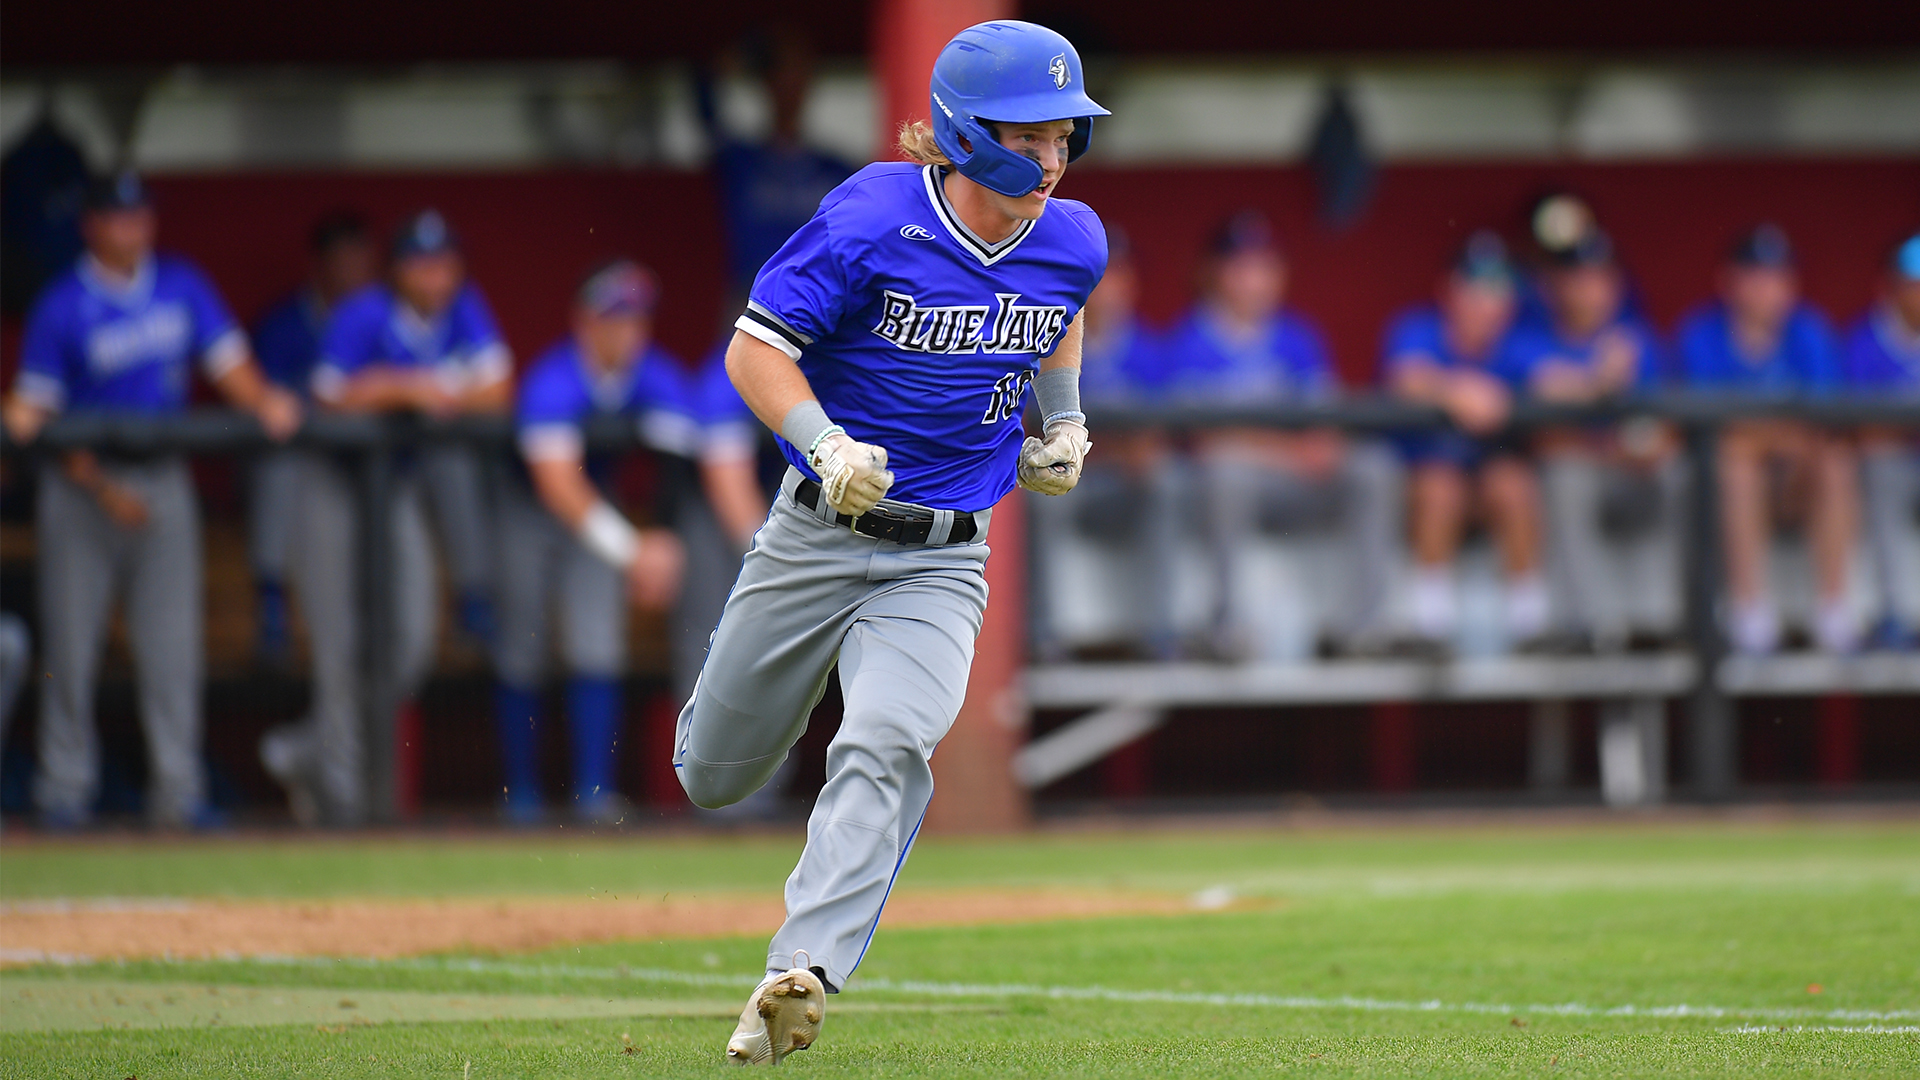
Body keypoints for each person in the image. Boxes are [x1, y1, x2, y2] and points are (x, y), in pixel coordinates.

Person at [675, 21, 1109, 1064]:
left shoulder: (1074, 237)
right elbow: (754, 350)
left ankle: (801, 969)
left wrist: (1062, 420)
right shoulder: (873, 212)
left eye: (1064, 136)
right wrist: (824, 443)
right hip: (818, 533)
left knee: (886, 740)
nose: (1052, 159)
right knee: (712, 775)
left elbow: (1057, 312)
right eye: (1030, 138)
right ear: (964, 135)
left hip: (943, 558)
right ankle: (754, 733)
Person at [2, 170, 301, 829]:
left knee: (172, 651)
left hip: (164, 475)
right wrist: (104, 488)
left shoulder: (181, 284)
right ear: (92, 226)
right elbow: (39, 415)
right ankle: (64, 791)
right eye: (118, 218)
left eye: (140, 216)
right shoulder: (62, 303)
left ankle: (177, 792)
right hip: (83, 486)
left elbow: (229, 363)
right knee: (71, 652)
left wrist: (264, 400)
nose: (133, 228)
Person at [258, 209, 510, 827]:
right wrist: (414, 387)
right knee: (339, 648)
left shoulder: (463, 308)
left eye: (444, 264)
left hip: (394, 488)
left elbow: (499, 389)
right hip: (330, 485)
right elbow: (330, 397)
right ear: (398, 270)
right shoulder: (363, 312)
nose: (435, 277)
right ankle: (346, 806)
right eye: (422, 265)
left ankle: (305, 751)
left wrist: (401, 385)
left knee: (413, 641)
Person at [494, 260, 768, 825]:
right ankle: (519, 793)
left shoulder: (657, 375)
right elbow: (557, 485)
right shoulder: (554, 377)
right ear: (584, 320)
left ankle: (593, 792)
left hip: (602, 507)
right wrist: (632, 550)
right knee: (522, 645)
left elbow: (675, 464)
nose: (627, 332)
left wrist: (661, 538)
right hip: (528, 510)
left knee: (597, 642)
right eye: (613, 318)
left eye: (636, 319)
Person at [1155, 210, 1400, 659]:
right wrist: (1288, 450)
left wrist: (1324, 442)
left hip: (1292, 484)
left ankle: (1367, 626)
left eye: (1265, 266)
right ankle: (1226, 626)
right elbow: (1207, 440)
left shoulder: (1298, 337)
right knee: (1227, 469)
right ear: (1216, 273)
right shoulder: (1188, 340)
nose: (1255, 280)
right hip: (1219, 495)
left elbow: (1325, 417)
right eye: (1242, 267)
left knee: (1372, 466)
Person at [1677, 224, 1853, 654]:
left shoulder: (1809, 331)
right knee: (1735, 467)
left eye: (1776, 277)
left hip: (1794, 481)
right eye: (1753, 276)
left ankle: (1834, 612)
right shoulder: (1700, 332)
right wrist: (1775, 433)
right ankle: (1749, 613)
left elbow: (1824, 423)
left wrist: (1759, 433)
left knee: (1835, 462)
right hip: (1719, 492)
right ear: (1727, 281)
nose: (1765, 289)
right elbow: (1708, 429)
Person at [1510, 230, 1679, 652]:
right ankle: (1584, 627)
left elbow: (1660, 437)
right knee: (1566, 475)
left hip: (1630, 482)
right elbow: (1546, 432)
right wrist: (1599, 384)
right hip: (1572, 485)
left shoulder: (1638, 342)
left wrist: (1607, 442)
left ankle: (1671, 619)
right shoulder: (1529, 339)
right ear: (1554, 286)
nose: (1589, 289)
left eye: (1599, 278)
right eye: (1577, 278)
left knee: (1683, 473)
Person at [1383, 231, 1547, 651]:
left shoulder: (1519, 342)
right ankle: (1430, 626)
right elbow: (1406, 376)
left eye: (1496, 288)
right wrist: (1457, 390)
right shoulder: (1419, 328)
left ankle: (1529, 624)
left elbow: (1554, 380)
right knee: (1440, 485)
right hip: (1420, 495)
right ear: (1449, 290)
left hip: (1491, 492)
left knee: (1512, 483)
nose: (1484, 299)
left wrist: (1600, 379)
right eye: (1473, 285)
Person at [1026, 228, 1171, 659]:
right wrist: (1112, 448)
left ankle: (1161, 632)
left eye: (1118, 275)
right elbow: (1029, 428)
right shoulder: (1048, 341)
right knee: (1038, 497)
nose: (1108, 288)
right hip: (1063, 485)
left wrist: (1137, 451)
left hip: (1120, 488)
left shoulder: (1148, 349)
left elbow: (1160, 438)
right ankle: (1044, 635)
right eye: (1100, 277)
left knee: (1166, 482)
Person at [247, 210, 377, 663]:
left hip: (368, 458)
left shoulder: (383, 318)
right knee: (277, 464)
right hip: (307, 461)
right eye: (343, 261)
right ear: (319, 265)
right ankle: (272, 602)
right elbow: (267, 404)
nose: (354, 272)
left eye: (361, 260)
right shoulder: (282, 323)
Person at [698, 25, 856, 304]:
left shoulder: (834, 171)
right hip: (752, 296)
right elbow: (707, 112)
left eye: (799, 72)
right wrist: (743, 54)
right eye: (780, 73)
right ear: (766, 82)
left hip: (815, 299)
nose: (789, 84)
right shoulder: (741, 161)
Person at [1845, 233, 1920, 650]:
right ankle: (1896, 614)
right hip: (1885, 473)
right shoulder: (1865, 339)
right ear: (1891, 287)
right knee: (1881, 463)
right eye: (1914, 285)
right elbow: (1858, 430)